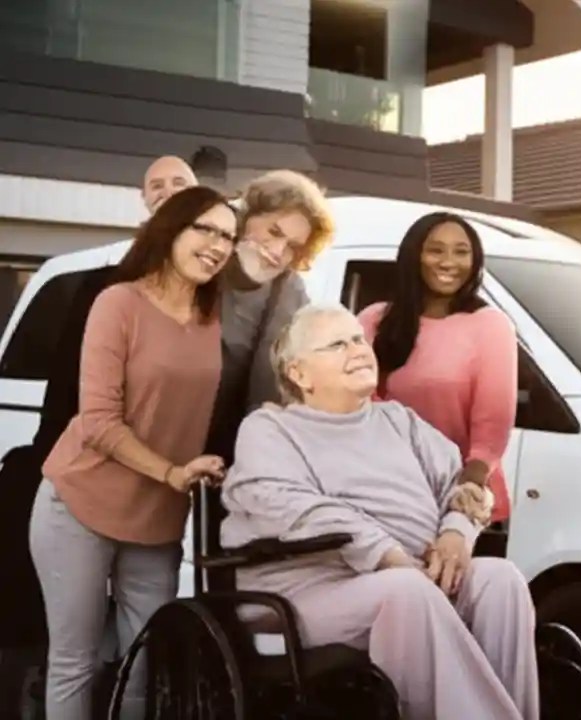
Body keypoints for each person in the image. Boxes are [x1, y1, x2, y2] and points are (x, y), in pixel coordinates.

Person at [220, 304, 538, 720]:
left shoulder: (399, 420)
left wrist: (455, 535)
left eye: (358, 339)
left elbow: (459, 487)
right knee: (405, 592)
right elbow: (286, 505)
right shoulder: (271, 429)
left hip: (416, 576)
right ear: (299, 374)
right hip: (308, 593)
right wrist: (386, 554)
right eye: (337, 344)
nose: (357, 349)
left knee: (500, 580)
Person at [29, 186, 237, 719]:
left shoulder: (215, 315)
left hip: (158, 517)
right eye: (205, 229)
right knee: (74, 662)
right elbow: (97, 420)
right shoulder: (119, 302)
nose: (218, 244)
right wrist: (171, 472)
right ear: (170, 229)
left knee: (146, 664)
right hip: (79, 503)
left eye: (228, 236)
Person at [357, 212, 518, 524]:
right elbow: (357, 403)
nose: (448, 262)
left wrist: (470, 486)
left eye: (461, 252)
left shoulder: (490, 325)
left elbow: (493, 417)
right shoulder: (373, 320)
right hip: (385, 496)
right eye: (435, 250)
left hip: (464, 498)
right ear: (413, 255)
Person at [205, 170, 333, 463]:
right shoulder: (201, 257)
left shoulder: (289, 291)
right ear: (248, 216)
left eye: (293, 247)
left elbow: (275, 387)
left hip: (230, 450)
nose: (277, 251)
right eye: (274, 232)